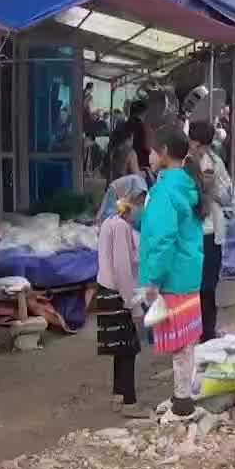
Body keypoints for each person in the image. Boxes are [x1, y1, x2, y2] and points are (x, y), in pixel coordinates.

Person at [138, 129, 205, 421]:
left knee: (179, 345)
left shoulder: (164, 190)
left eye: (151, 151)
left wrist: (152, 279)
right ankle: (182, 396)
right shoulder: (184, 185)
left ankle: (183, 403)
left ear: (163, 151)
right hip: (187, 272)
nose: (149, 156)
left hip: (172, 275)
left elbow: (163, 239)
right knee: (185, 342)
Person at [95, 175, 147, 419]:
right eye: (139, 200)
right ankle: (129, 402)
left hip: (107, 291)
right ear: (128, 199)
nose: (141, 206)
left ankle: (118, 394)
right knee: (128, 350)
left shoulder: (109, 223)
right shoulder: (121, 227)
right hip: (118, 294)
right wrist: (134, 306)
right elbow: (123, 270)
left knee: (119, 348)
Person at [188, 119, 235, 342]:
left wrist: (213, 189)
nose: (197, 149)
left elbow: (228, 196)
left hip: (210, 233)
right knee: (190, 289)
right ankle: (191, 335)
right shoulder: (182, 164)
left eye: (201, 145)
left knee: (207, 289)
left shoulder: (215, 163)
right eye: (194, 144)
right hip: (189, 234)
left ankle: (207, 336)